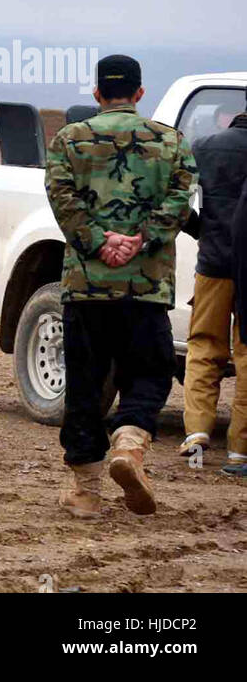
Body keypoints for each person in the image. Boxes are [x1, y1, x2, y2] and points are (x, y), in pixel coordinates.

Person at [46, 54, 196, 517]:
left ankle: (86, 493)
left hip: (86, 289)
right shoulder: (171, 143)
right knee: (149, 374)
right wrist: (140, 240)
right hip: (144, 289)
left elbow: (61, 195)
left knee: (86, 388)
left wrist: (97, 241)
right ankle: (129, 444)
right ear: (139, 93)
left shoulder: (69, 139)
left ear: (96, 94)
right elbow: (180, 196)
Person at [176, 102, 247, 466]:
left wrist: (202, 231)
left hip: (213, 261)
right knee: (246, 354)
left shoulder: (205, 146)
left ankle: (197, 433)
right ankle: (239, 450)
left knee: (204, 345)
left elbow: (177, 201)